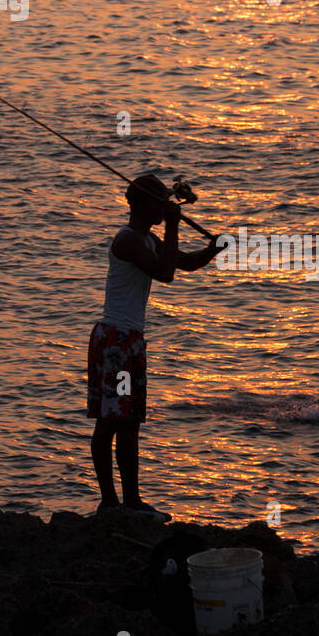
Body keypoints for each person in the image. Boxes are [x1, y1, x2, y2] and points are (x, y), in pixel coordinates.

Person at [88, 172, 220, 520]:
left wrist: (212, 251)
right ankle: (111, 503)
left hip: (130, 341)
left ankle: (130, 503)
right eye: (161, 203)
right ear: (144, 205)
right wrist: (174, 225)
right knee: (110, 422)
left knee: (128, 422)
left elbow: (183, 263)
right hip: (115, 341)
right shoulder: (128, 241)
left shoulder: (148, 240)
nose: (166, 208)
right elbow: (165, 274)